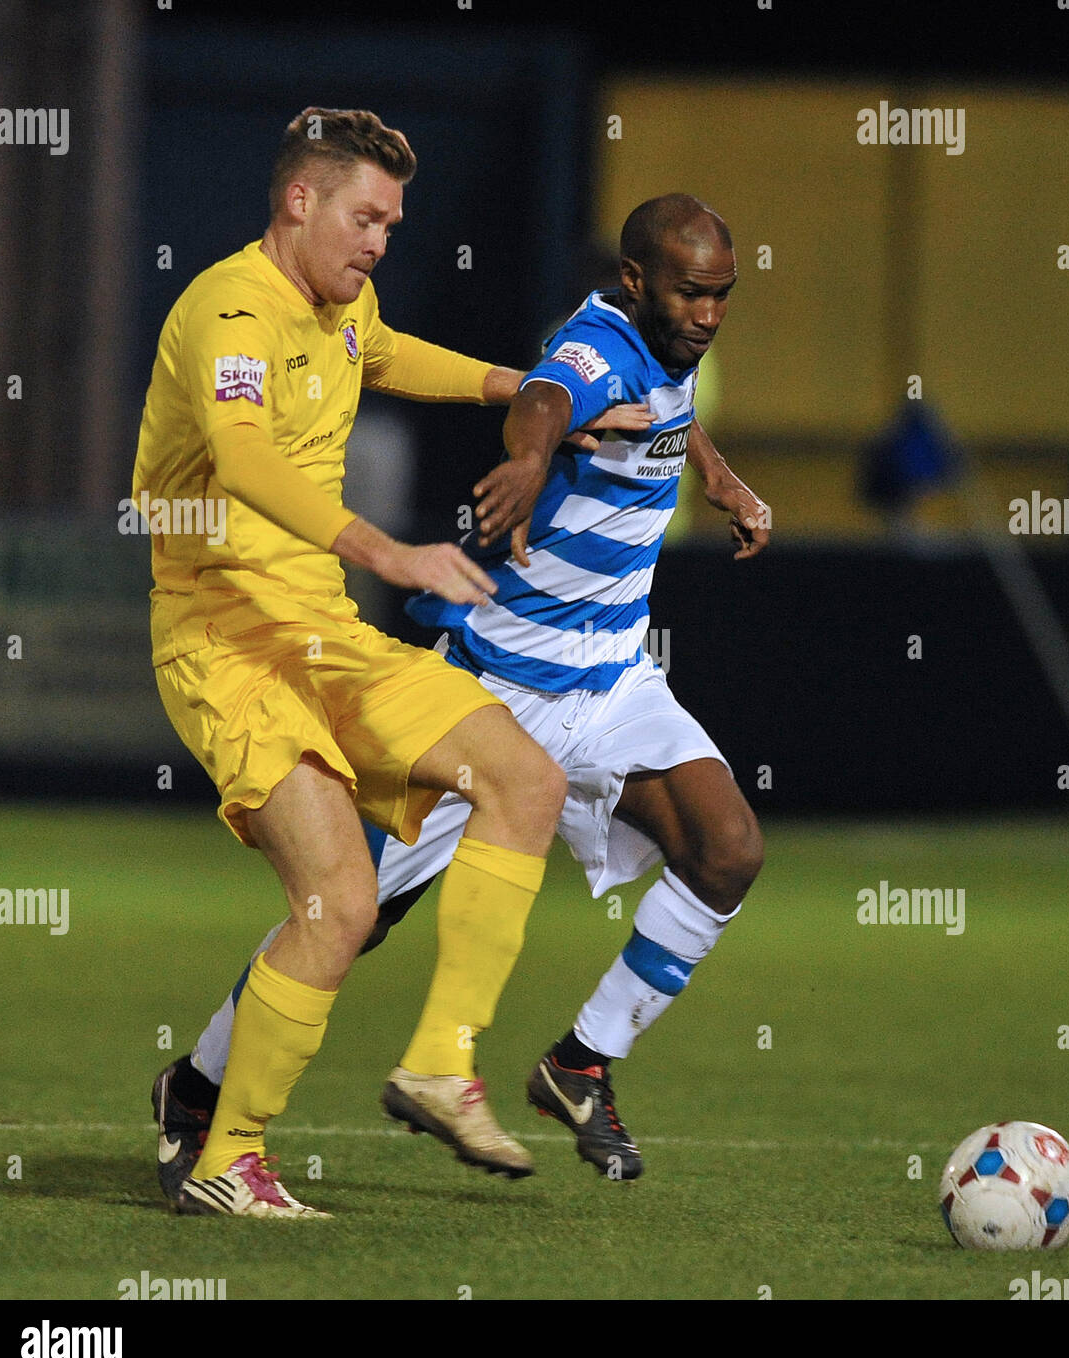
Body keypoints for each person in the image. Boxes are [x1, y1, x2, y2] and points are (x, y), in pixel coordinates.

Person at [153, 192, 770, 1188]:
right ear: (634, 284)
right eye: (690, 295)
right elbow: (546, 397)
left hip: (610, 684)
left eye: (721, 295)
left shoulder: (668, 354)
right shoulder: (595, 343)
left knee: (728, 847)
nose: (707, 314)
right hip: (498, 689)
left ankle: (578, 1063)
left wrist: (721, 477)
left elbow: (667, 409)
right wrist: (526, 459)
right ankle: (196, 1084)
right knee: (348, 914)